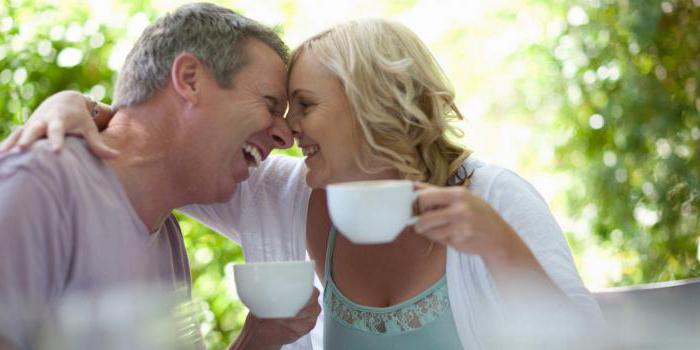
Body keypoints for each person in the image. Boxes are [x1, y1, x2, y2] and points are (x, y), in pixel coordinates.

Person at [2, 19, 603, 349]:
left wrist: (498, 244)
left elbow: (587, 346)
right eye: (279, 105)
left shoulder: (492, 198)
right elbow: (161, 147)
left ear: (371, 103)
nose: (286, 131)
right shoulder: (284, 195)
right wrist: (76, 106)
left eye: (302, 104)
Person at [0, 3, 320, 350]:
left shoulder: (165, 233)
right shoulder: (37, 186)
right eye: (271, 105)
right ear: (189, 80)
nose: (285, 136)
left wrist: (255, 341)